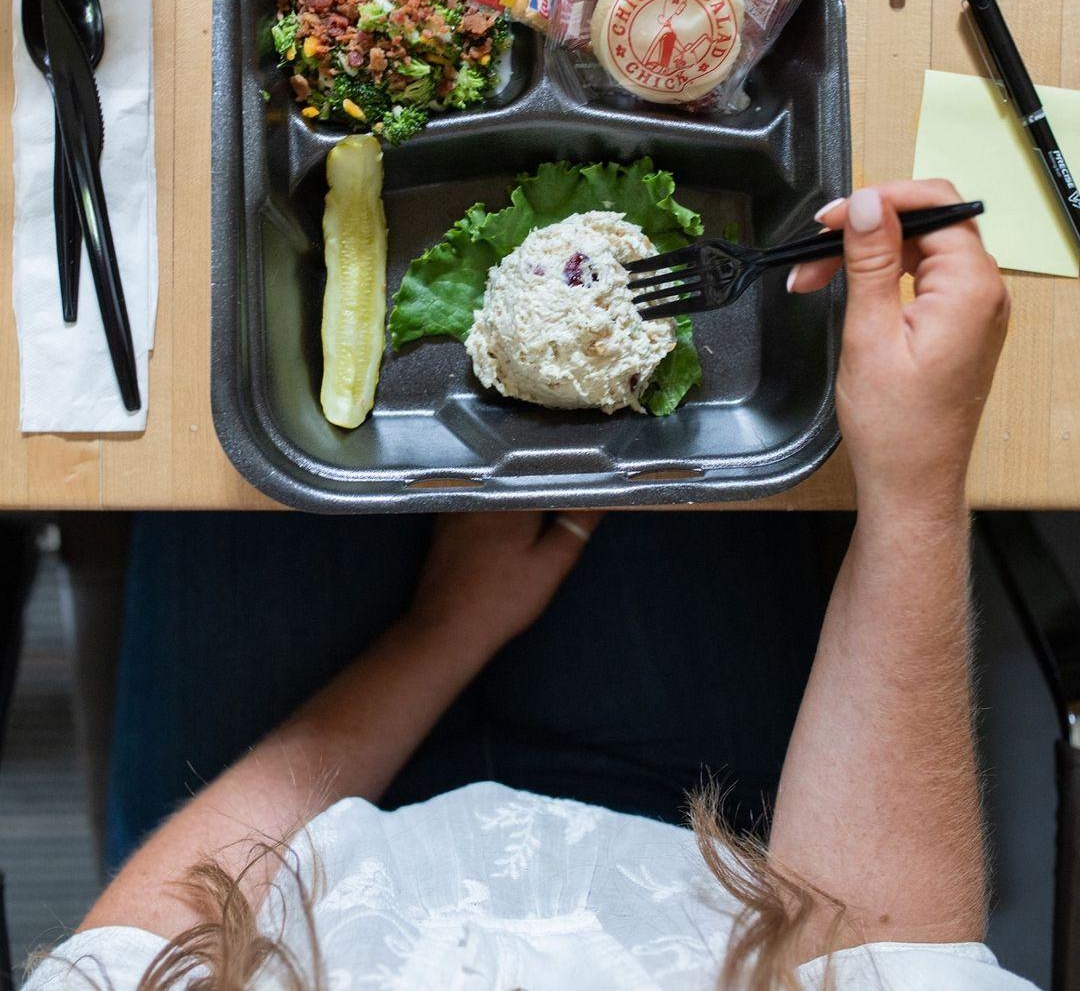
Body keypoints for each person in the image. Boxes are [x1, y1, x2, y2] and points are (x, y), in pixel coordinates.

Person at [27, 181, 1033, 990]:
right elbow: (877, 959)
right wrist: (914, 492)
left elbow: (149, 955)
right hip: (703, 840)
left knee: (234, 353)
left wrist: (442, 634)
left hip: (274, 877)